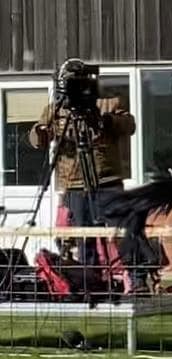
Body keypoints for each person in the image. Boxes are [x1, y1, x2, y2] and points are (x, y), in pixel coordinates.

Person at [29, 92, 149, 294]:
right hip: (74, 182)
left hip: (107, 179)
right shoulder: (56, 110)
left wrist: (106, 121)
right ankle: (91, 283)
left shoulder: (108, 102)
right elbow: (36, 140)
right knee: (84, 237)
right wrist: (41, 131)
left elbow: (129, 126)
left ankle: (138, 279)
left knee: (123, 231)